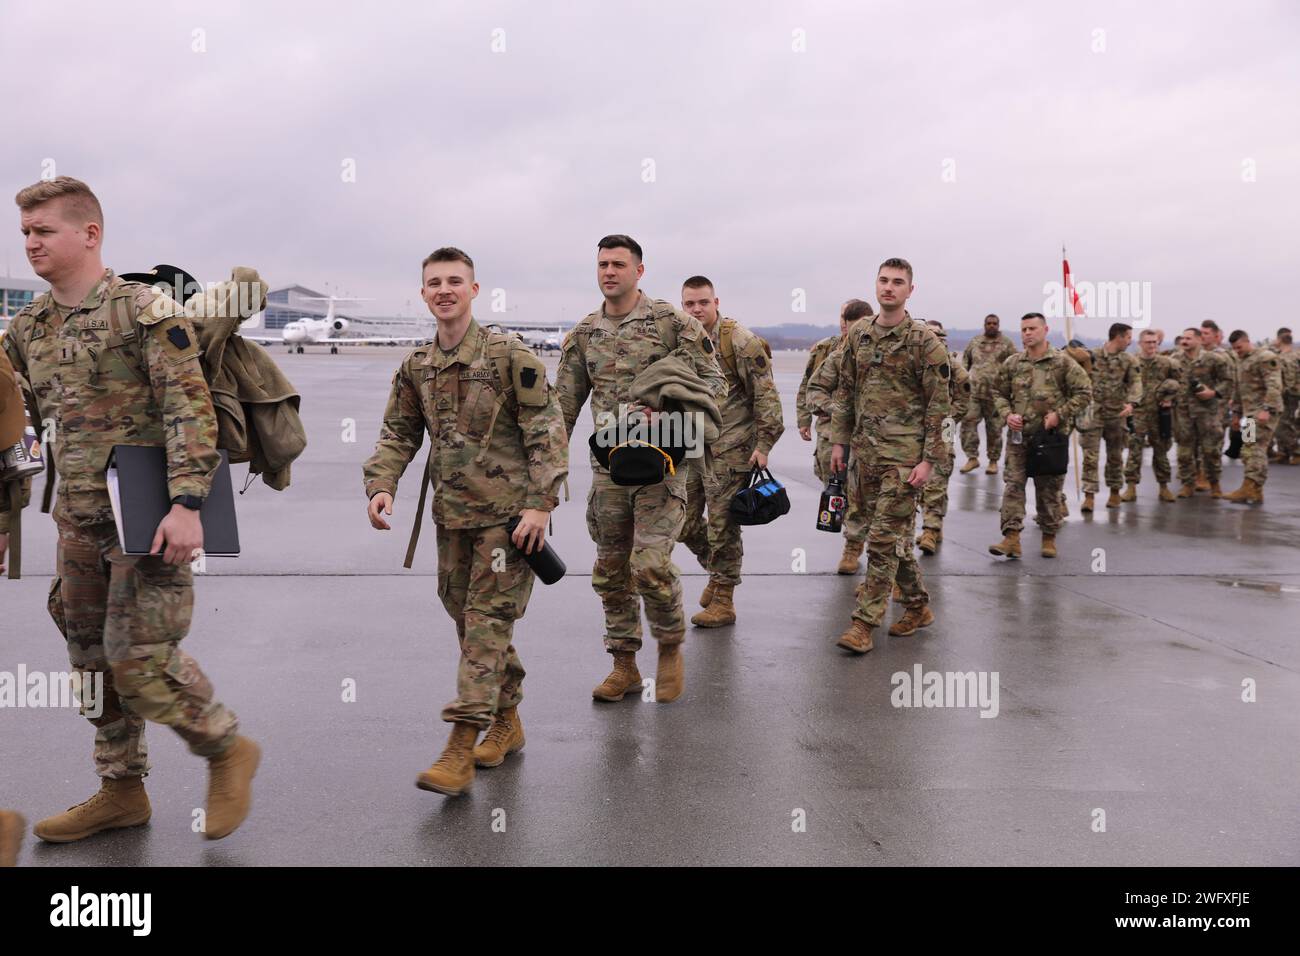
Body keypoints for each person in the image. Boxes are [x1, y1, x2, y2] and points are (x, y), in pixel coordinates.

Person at [1, 176, 258, 843]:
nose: (30, 243)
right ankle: (121, 790)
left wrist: (187, 504)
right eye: (25, 232)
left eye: (44, 230)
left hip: (144, 516)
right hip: (77, 518)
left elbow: (188, 408)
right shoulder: (27, 326)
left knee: (137, 655)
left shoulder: (144, 311)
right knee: (89, 660)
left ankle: (226, 748)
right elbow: (15, 428)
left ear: (90, 234)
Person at [363, 247, 568, 795]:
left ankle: (459, 748)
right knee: (467, 620)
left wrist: (540, 504)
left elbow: (547, 429)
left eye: (456, 281)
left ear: (475, 291)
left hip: (509, 522)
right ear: (424, 293)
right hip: (451, 519)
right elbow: (399, 434)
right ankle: (508, 717)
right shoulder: (416, 367)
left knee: (484, 626)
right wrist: (382, 485)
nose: (444, 290)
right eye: (434, 283)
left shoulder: (508, 355)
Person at [555, 236, 725, 703]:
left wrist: (668, 414)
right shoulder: (585, 333)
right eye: (603, 264)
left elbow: (715, 384)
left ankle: (669, 644)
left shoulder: (673, 323)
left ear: (640, 271)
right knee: (611, 570)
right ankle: (624, 664)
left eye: (619, 265)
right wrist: (544, 476)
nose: (609, 272)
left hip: (663, 466)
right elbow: (561, 410)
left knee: (649, 564)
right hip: (608, 469)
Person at [828, 258, 950, 654]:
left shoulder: (923, 341)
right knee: (890, 541)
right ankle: (917, 605)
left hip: (904, 462)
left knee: (880, 542)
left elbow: (938, 407)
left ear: (910, 291)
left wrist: (929, 461)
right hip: (865, 456)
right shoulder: (860, 334)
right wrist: (839, 443)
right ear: (875, 285)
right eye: (883, 280)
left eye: (898, 282)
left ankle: (863, 625)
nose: (889, 288)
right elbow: (845, 391)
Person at [677, 275, 784, 627]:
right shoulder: (679, 339)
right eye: (689, 303)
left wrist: (764, 445)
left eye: (703, 303)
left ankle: (724, 599)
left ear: (716, 302)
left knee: (723, 524)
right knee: (682, 521)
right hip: (691, 445)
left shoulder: (740, 342)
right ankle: (717, 570)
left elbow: (766, 396)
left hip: (732, 446)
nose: (696, 310)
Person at [988, 313, 1091, 559]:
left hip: (1050, 438)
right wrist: (1006, 414)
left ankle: (1049, 536)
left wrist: (1060, 414)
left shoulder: (1062, 362)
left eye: (1032, 328)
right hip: (1019, 438)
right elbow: (997, 391)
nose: (1027, 333)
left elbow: (1084, 391)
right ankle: (1011, 537)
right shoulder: (1013, 363)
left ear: (1045, 330)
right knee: (1013, 486)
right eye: (1023, 329)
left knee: (1048, 489)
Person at [802, 299, 874, 573]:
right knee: (844, 489)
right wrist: (842, 411)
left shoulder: (894, 353)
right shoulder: (837, 356)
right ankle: (854, 544)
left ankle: (860, 552)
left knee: (880, 502)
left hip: (884, 444)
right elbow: (813, 389)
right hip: (840, 437)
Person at [916, 320, 970, 553]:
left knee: (938, 477)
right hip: (918, 428)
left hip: (945, 426)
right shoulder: (916, 361)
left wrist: (949, 418)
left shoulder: (952, 367)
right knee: (918, 481)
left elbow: (964, 397)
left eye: (938, 335)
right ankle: (934, 524)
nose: (934, 339)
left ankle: (930, 529)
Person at [1079, 323, 1140, 510]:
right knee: (1090, 456)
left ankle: (1114, 492)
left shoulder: (1129, 360)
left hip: (1116, 414)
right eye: (1128, 337)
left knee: (1115, 456)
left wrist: (1132, 403)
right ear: (1119, 336)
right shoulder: (1092, 356)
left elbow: (1136, 383)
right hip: (1092, 413)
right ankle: (1089, 496)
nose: (1130, 341)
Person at [1171, 326, 1233, 498]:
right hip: (1183, 412)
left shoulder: (1214, 359)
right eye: (1183, 338)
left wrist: (1214, 393)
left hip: (1208, 412)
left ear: (1199, 340)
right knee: (1184, 451)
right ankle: (1187, 484)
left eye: (1189, 338)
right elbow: (1167, 381)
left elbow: (1228, 381)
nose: (1184, 341)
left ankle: (1215, 484)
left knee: (1211, 450)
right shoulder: (1174, 359)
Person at [1222, 330, 1283, 504]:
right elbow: (1240, 390)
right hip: (1250, 413)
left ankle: (1249, 486)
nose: (1237, 351)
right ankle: (1255, 490)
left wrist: (1267, 408)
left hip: (1264, 412)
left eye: (1239, 347)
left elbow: (1274, 385)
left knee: (1254, 448)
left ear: (1247, 341)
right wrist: (1236, 413)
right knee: (1249, 450)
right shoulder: (1242, 361)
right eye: (1234, 349)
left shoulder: (1265, 357)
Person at [1122, 329, 1180, 502]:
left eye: (1155, 342)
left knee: (1161, 451)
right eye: (1148, 342)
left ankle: (1164, 487)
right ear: (1140, 344)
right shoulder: (1132, 363)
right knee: (1134, 451)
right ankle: (1131, 487)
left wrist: (1170, 399)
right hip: (1138, 413)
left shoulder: (1167, 363)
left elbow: (1180, 384)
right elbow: (1122, 384)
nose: (1152, 345)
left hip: (1158, 414)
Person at [959, 314, 1017, 474]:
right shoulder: (975, 342)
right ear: (984, 325)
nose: (992, 326)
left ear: (998, 325)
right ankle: (972, 458)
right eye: (989, 323)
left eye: (995, 323)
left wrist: (1011, 390)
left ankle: (993, 461)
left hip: (996, 394)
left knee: (995, 429)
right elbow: (965, 363)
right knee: (968, 422)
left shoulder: (1007, 344)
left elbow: (1014, 366)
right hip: (974, 392)